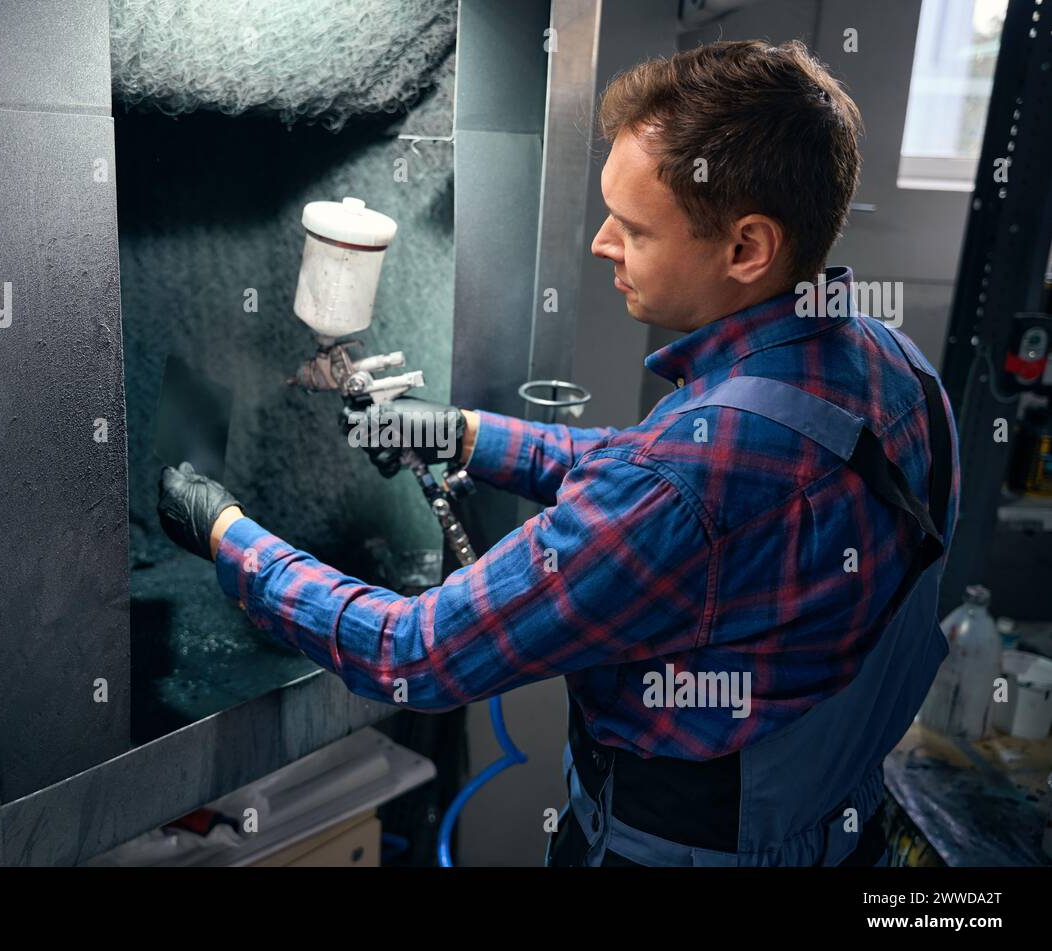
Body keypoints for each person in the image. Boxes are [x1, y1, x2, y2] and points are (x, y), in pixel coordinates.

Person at [158, 39, 960, 867]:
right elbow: (661, 468)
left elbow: (412, 654)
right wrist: (462, 433)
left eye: (636, 227)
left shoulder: (682, 482)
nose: (602, 243)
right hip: (844, 829)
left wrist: (228, 536)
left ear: (747, 248)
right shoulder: (899, 370)